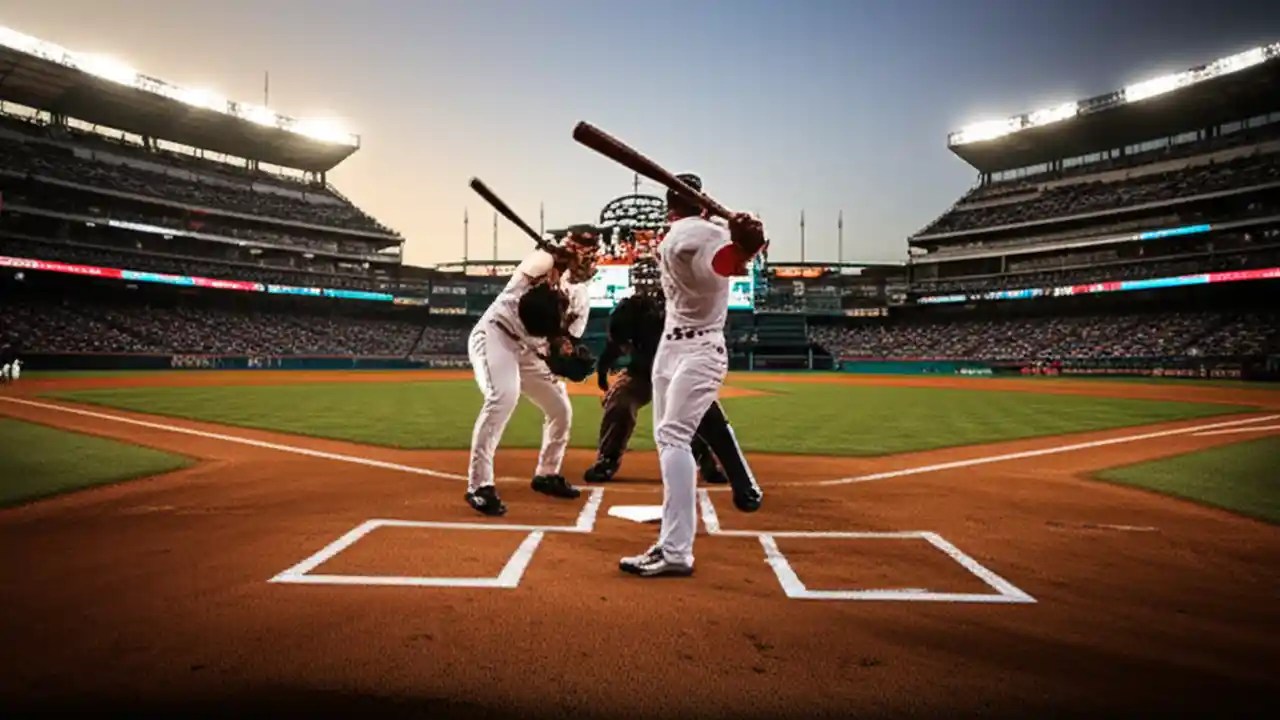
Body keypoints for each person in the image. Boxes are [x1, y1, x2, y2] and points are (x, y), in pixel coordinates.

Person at [619, 174, 767, 577]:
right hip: (673, 346)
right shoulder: (704, 231)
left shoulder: (697, 233)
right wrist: (746, 246)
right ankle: (730, 486)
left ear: (670, 207)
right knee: (671, 436)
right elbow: (729, 261)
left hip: (699, 349)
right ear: (702, 203)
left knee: (672, 436)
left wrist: (743, 247)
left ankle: (676, 551)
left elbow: (724, 263)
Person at [586, 231, 763, 514]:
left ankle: (712, 465)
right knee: (620, 403)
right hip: (641, 372)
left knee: (699, 412)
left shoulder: (683, 302)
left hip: (681, 368)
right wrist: (604, 376)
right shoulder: (628, 310)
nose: (649, 283)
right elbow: (614, 346)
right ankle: (607, 460)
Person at [464, 226, 600, 516]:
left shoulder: (580, 296)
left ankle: (547, 474)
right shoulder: (542, 261)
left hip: (531, 350)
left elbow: (564, 340)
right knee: (503, 397)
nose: (589, 259)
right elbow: (531, 293)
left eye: (592, 252)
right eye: (584, 250)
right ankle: (479, 485)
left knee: (560, 409)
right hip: (498, 336)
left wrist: (566, 354)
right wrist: (553, 258)